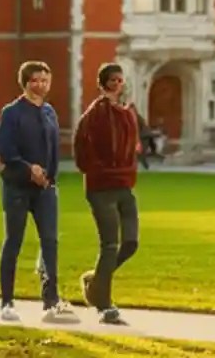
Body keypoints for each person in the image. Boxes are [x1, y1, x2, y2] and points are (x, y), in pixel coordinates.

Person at [0, 61, 78, 323]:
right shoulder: (12, 113)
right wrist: (29, 169)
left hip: (45, 189)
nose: (40, 85)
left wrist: (49, 177)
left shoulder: (49, 112)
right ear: (25, 82)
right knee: (14, 241)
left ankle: (51, 300)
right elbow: (6, 152)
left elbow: (54, 150)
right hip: (17, 187)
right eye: (35, 80)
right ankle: (7, 302)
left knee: (50, 242)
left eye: (44, 80)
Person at [72, 63, 140, 326]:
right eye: (113, 80)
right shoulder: (95, 114)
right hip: (101, 188)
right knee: (110, 245)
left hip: (124, 185)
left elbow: (133, 146)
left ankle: (95, 281)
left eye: (120, 80)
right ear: (103, 83)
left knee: (131, 243)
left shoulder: (127, 113)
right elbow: (81, 147)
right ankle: (104, 305)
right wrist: (96, 169)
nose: (117, 84)